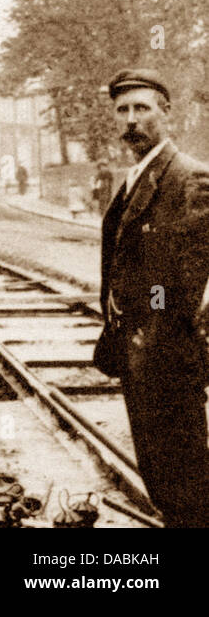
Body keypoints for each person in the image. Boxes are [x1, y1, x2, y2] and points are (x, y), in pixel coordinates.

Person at [94, 68, 209, 527]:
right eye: (123, 110)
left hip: (168, 357)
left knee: (186, 481)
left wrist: (153, 322)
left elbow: (187, 282)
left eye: (142, 108)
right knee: (161, 475)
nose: (131, 120)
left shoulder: (190, 180)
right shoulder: (136, 176)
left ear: (166, 113)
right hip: (139, 353)